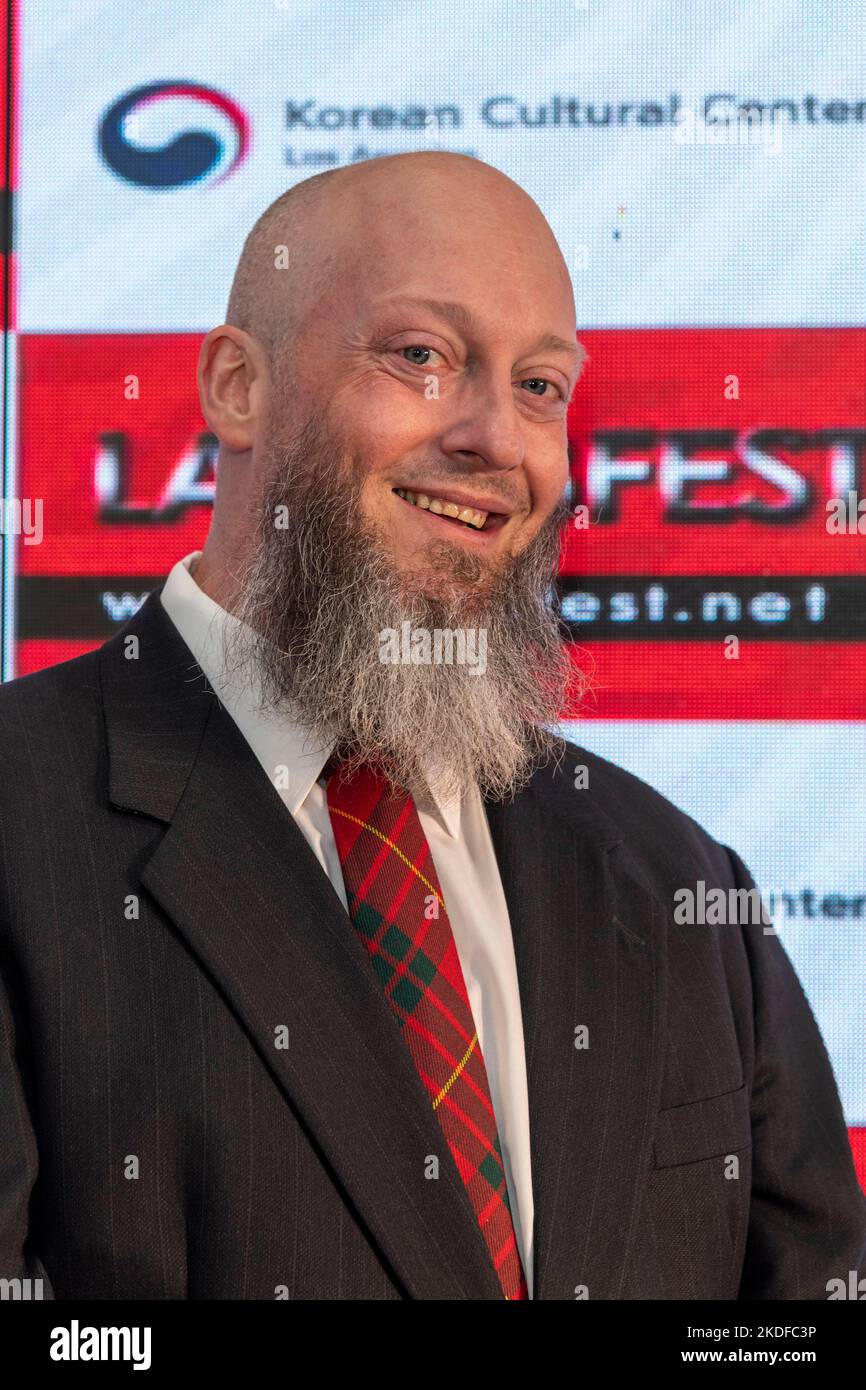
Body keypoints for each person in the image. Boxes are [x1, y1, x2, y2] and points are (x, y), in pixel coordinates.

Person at [0, 152, 863, 1300]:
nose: (495, 440)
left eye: (542, 386)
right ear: (235, 386)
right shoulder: (19, 819)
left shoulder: (675, 884)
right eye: (421, 356)